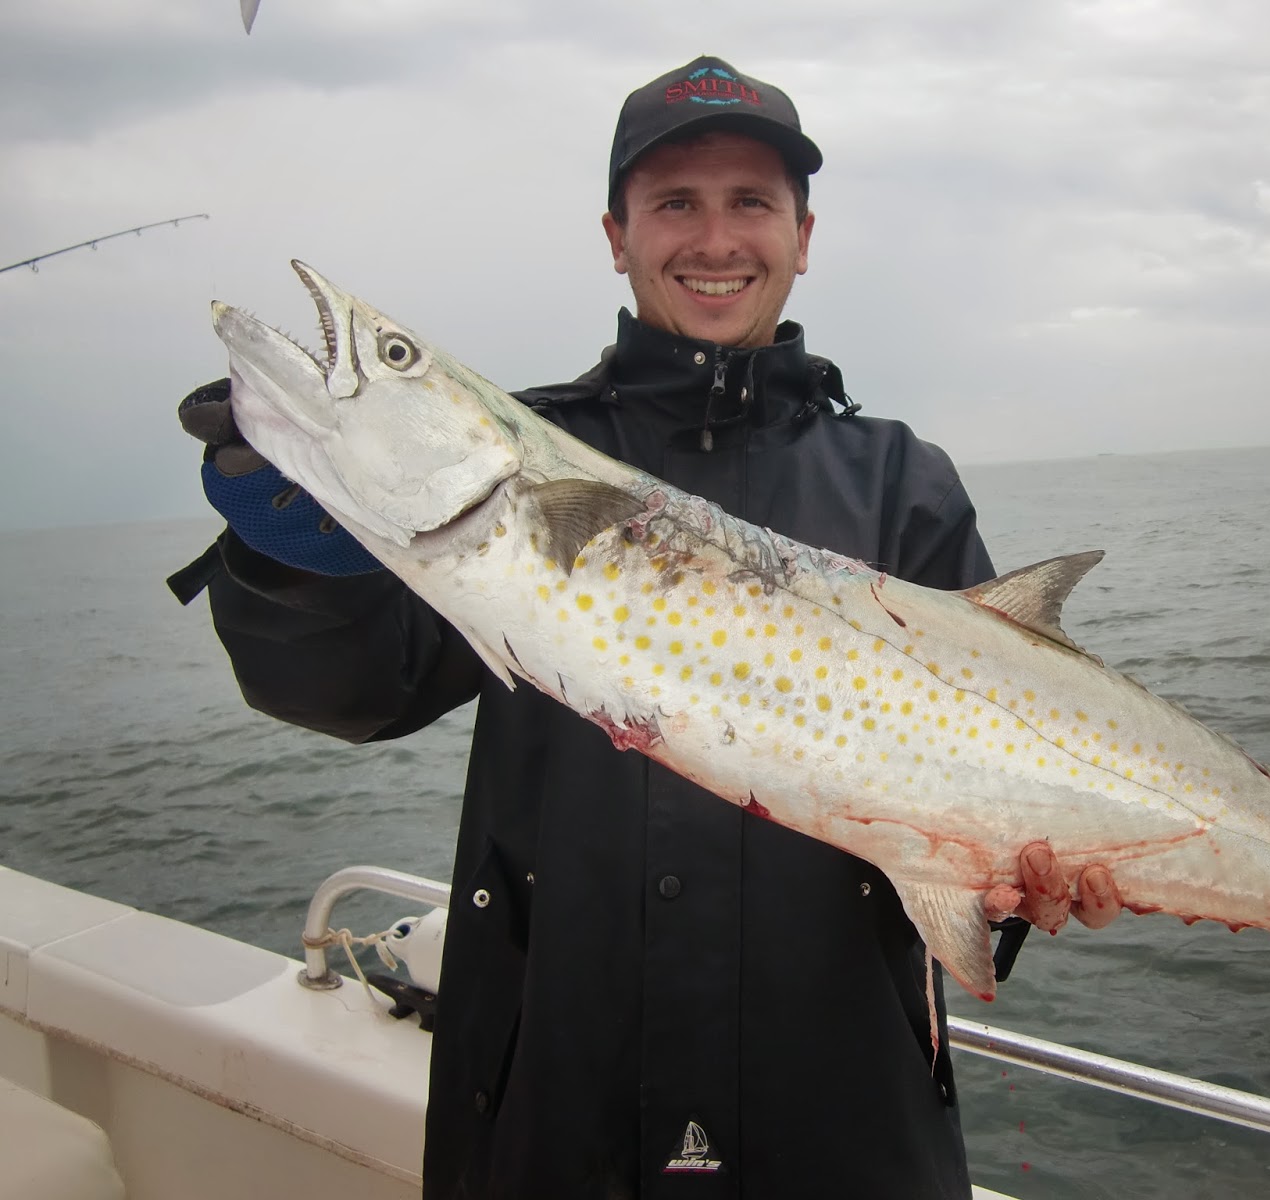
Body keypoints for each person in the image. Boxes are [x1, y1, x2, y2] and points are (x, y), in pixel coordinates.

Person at [171, 55, 1122, 1200]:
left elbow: (984, 785)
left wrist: (1024, 876)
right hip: (555, 1110)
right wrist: (293, 550)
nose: (714, 239)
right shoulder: (527, 461)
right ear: (616, 237)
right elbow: (350, 691)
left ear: (803, 235)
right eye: (674, 203)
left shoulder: (899, 484)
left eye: (750, 201)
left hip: (841, 1118)